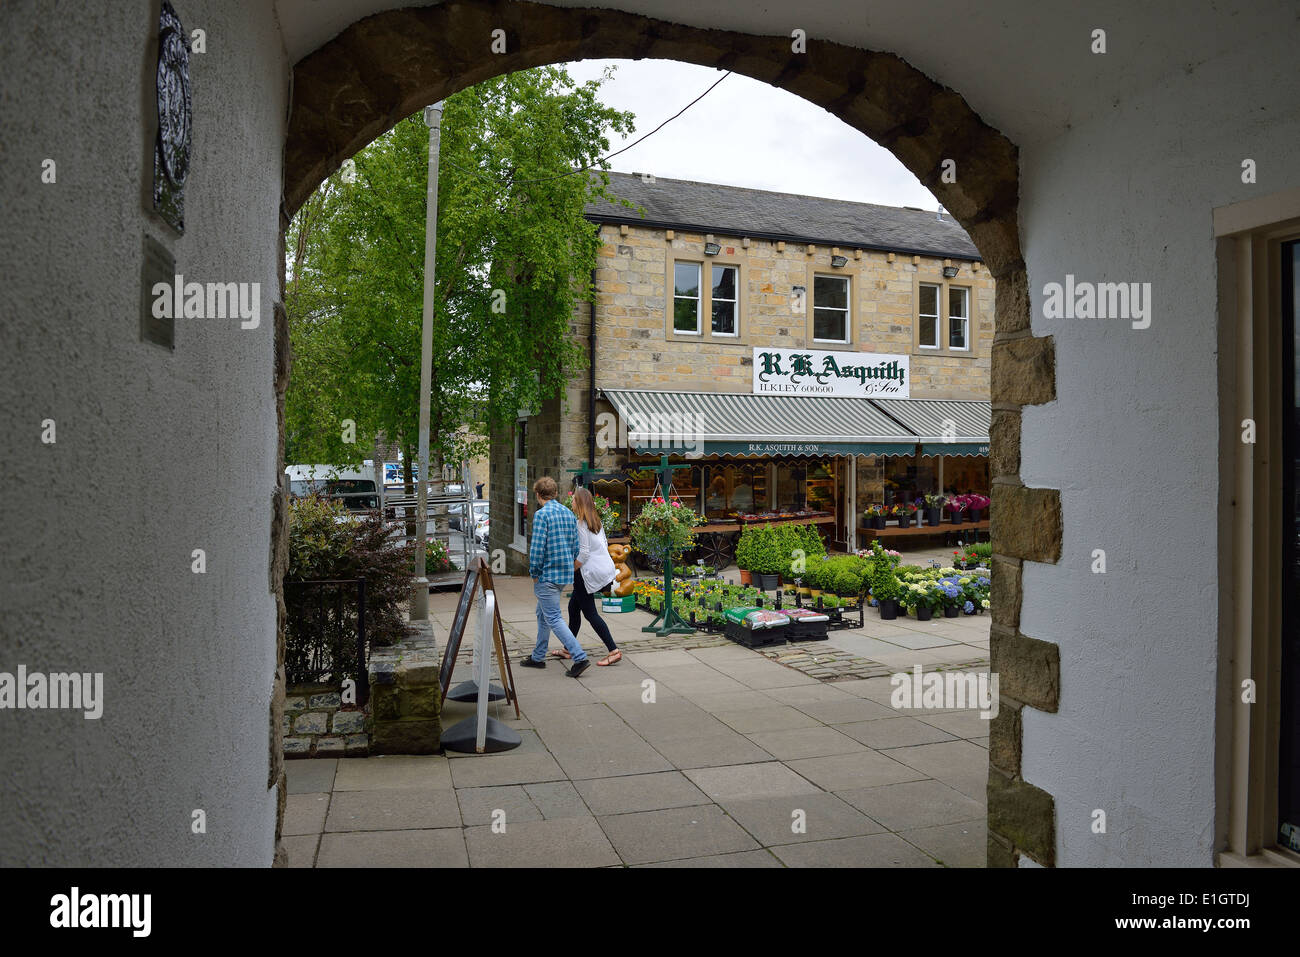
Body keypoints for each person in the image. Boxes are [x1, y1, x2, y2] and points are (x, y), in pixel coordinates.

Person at [521, 476, 590, 677]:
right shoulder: (568, 513)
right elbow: (575, 546)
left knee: (553, 617)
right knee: (542, 613)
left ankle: (579, 657)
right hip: (563, 574)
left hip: (547, 575)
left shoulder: (542, 515)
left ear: (537, 494)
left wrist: (534, 573)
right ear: (556, 493)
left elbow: (537, 549)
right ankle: (537, 657)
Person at [550, 488, 621, 666]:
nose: (572, 502)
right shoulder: (596, 521)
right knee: (573, 608)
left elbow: (584, 553)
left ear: (580, 503)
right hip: (602, 569)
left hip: (587, 573)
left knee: (590, 613)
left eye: (574, 500)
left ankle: (613, 650)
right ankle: (568, 648)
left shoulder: (581, 524)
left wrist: (571, 569)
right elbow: (603, 544)